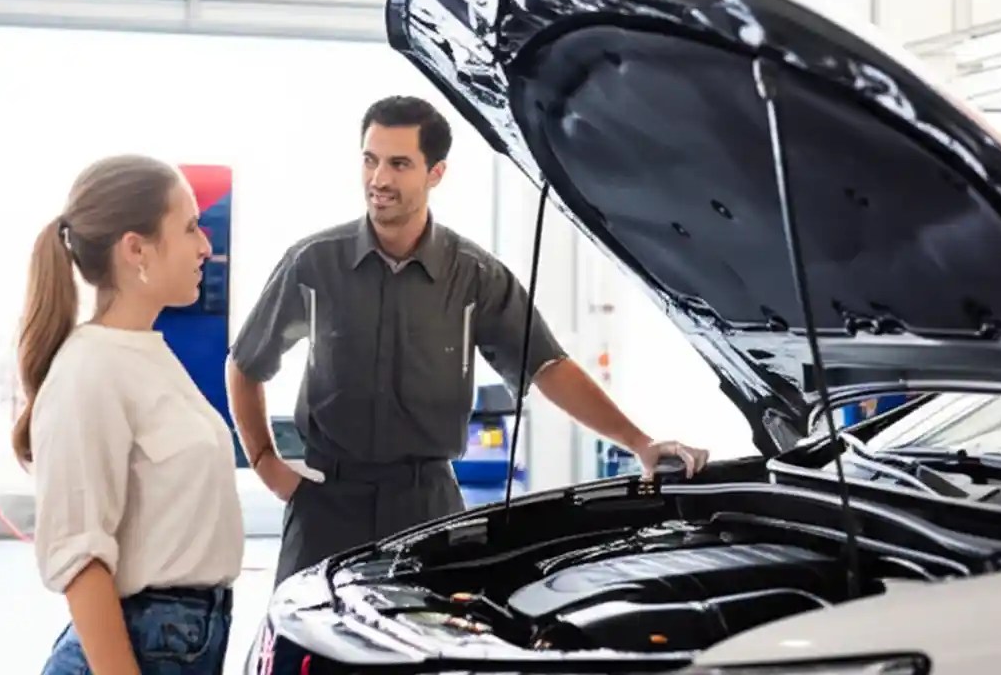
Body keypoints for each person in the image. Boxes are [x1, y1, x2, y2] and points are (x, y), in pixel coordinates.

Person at [227, 95, 711, 588]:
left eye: (399, 164)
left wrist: (640, 442)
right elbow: (246, 363)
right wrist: (265, 462)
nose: (378, 180)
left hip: (427, 505)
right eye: (370, 160)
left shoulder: (475, 276)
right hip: (326, 503)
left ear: (435, 173)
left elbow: (548, 366)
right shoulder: (312, 264)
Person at [15, 154, 244, 675]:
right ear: (135, 249)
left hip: (181, 638)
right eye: (189, 228)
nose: (205, 246)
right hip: (139, 646)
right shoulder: (89, 369)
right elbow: (80, 558)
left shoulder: (146, 353)